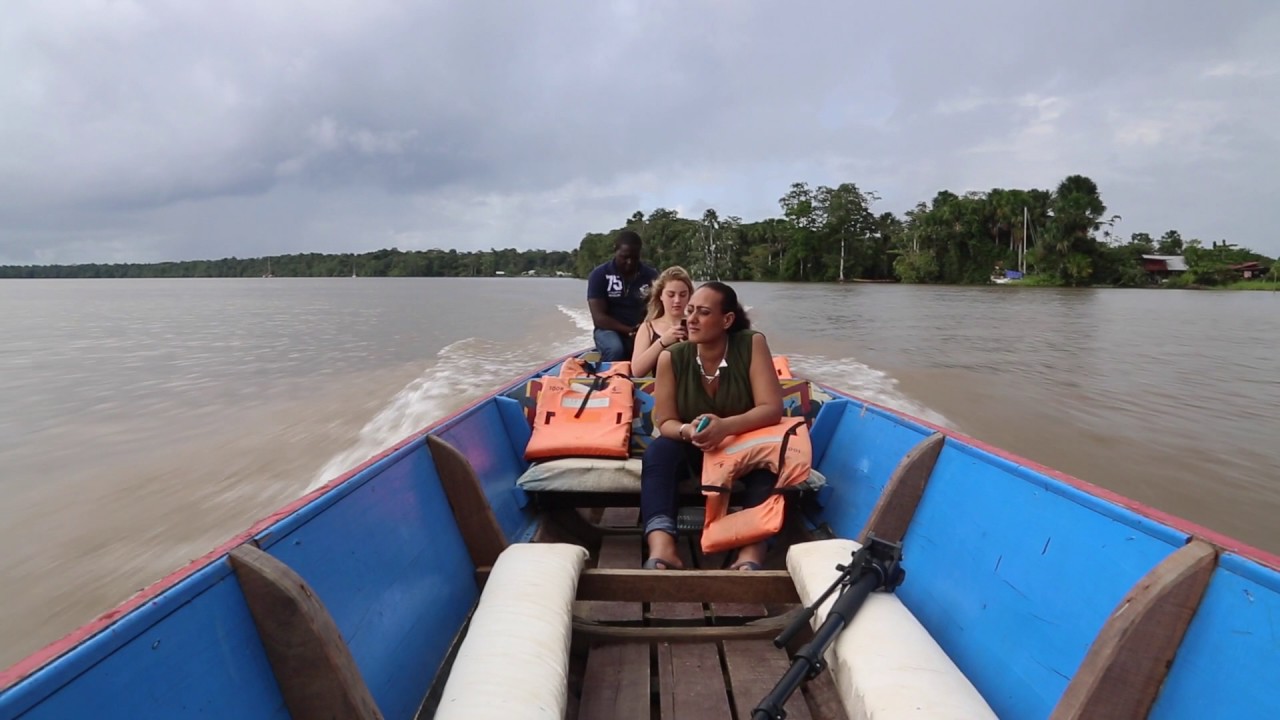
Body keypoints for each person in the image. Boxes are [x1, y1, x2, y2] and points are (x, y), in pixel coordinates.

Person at [640, 281, 784, 571]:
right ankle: (662, 548)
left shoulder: (751, 344)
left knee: (771, 463)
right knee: (658, 454)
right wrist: (688, 431)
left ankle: (751, 553)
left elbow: (771, 409)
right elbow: (665, 421)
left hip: (745, 445)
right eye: (689, 311)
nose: (690, 319)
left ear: (727, 320)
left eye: (703, 313)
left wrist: (726, 427)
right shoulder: (672, 357)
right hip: (693, 445)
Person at [586, 231, 659, 362]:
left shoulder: (651, 277)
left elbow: (658, 309)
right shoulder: (600, 275)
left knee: (663, 348)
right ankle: (609, 379)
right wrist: (629, 331)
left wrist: (643, 330)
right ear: (615, 250)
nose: (630, 262)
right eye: (624, 257)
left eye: (634, 258)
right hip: (608, 330)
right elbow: (598, 318)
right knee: (615, 349)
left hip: (641, 329)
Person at [629, 266, 693, 377]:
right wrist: (662, 342)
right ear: (661, 296)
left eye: (683, 295)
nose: (677, 300)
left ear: (689, 296)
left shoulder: (697, 325)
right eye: (671, 295)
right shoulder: (648, 328)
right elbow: (637, 371)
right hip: (660, 390)